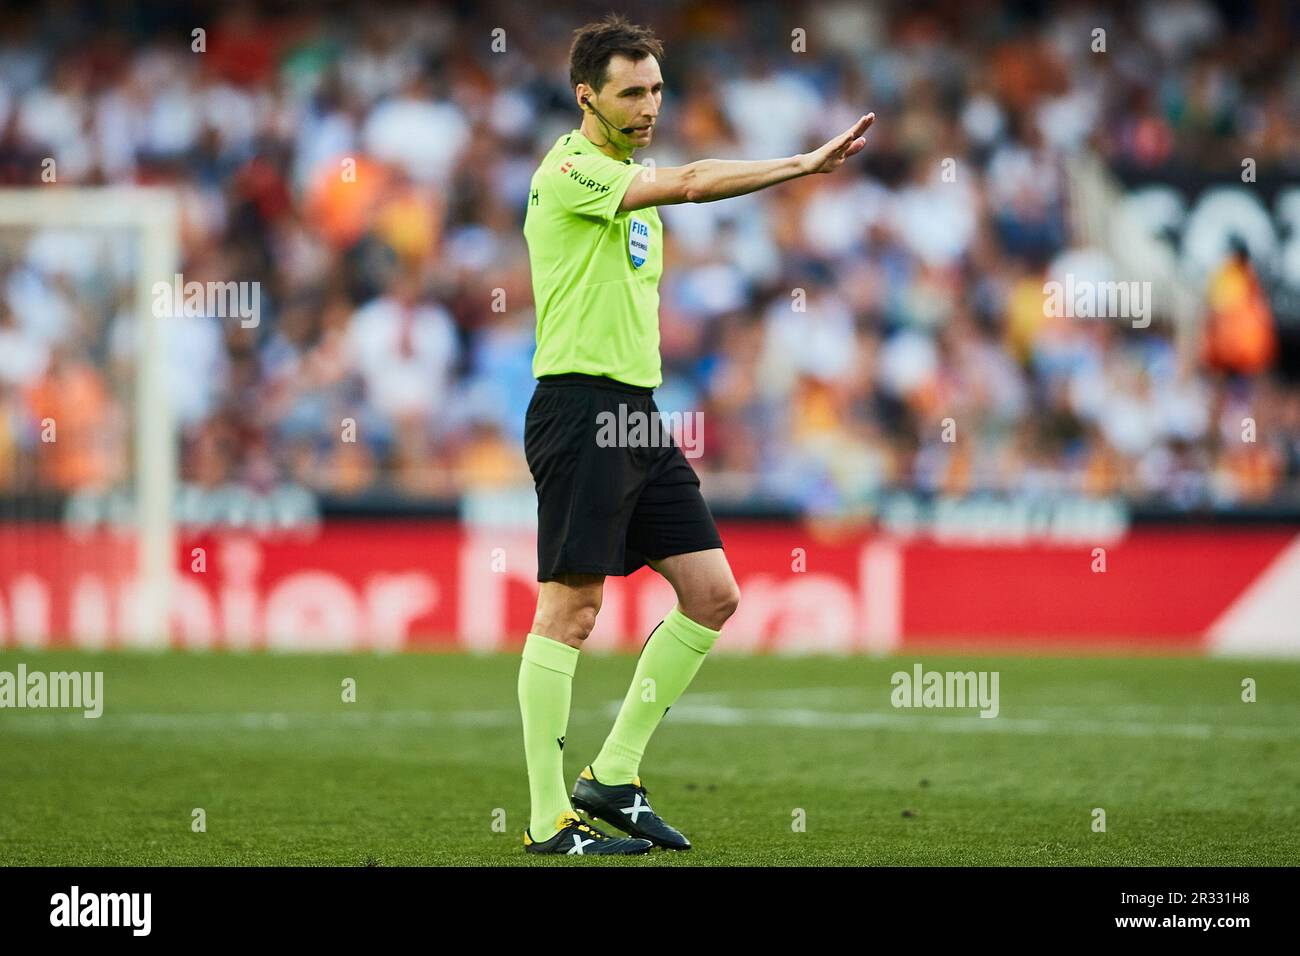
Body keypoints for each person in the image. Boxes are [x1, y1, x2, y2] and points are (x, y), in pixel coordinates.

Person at [518, 13, 875, 855]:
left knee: (713, 593)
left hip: (637, 412)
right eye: (631, 93)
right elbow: (687, 181)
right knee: (571, 609)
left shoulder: (627, 185)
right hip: (578, 407)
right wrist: (800, 163)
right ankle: (546, 821)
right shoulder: (570, 169)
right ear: (586, 98)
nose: (648, 106)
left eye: (656, 91)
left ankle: (613, 776)